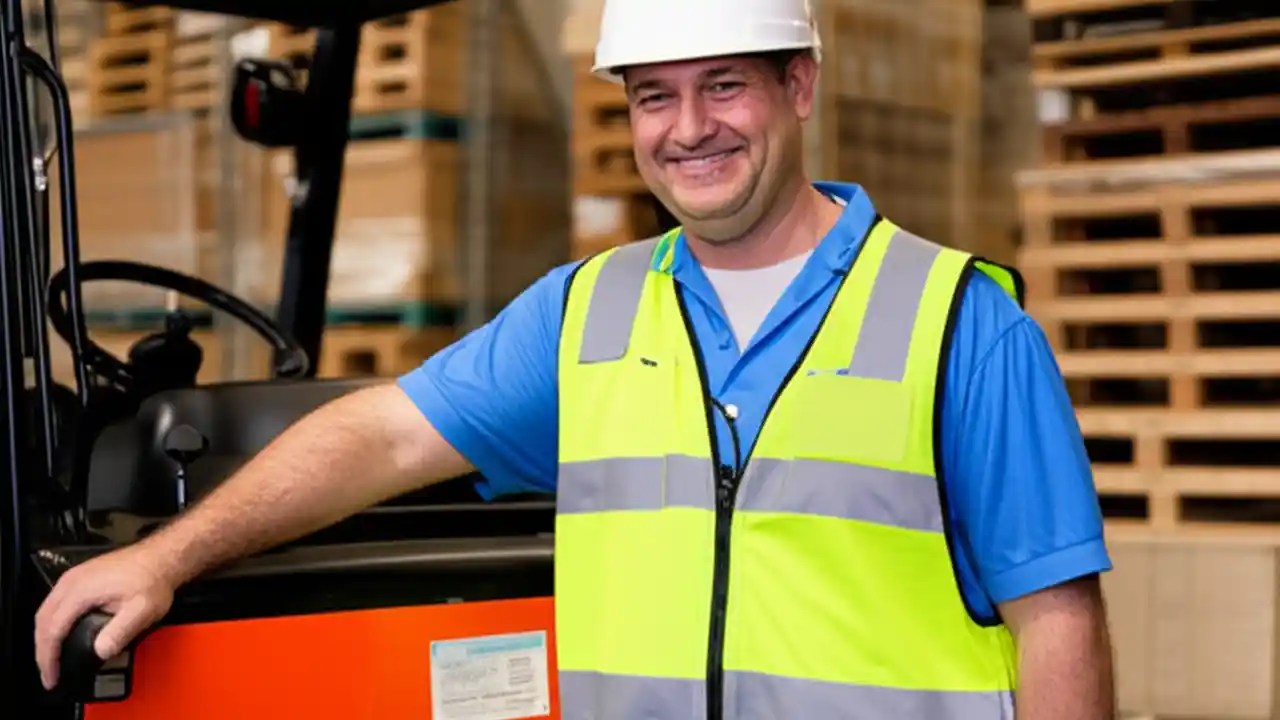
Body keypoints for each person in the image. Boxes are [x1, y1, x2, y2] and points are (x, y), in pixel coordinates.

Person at [35, 0, 1117, 717]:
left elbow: (1055, 619)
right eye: (653, 95)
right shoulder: (587, 314)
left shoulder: (959, 323)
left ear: (799, 85)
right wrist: (164, 557)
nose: (686, 128)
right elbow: (382, 432)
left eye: (722, 85)